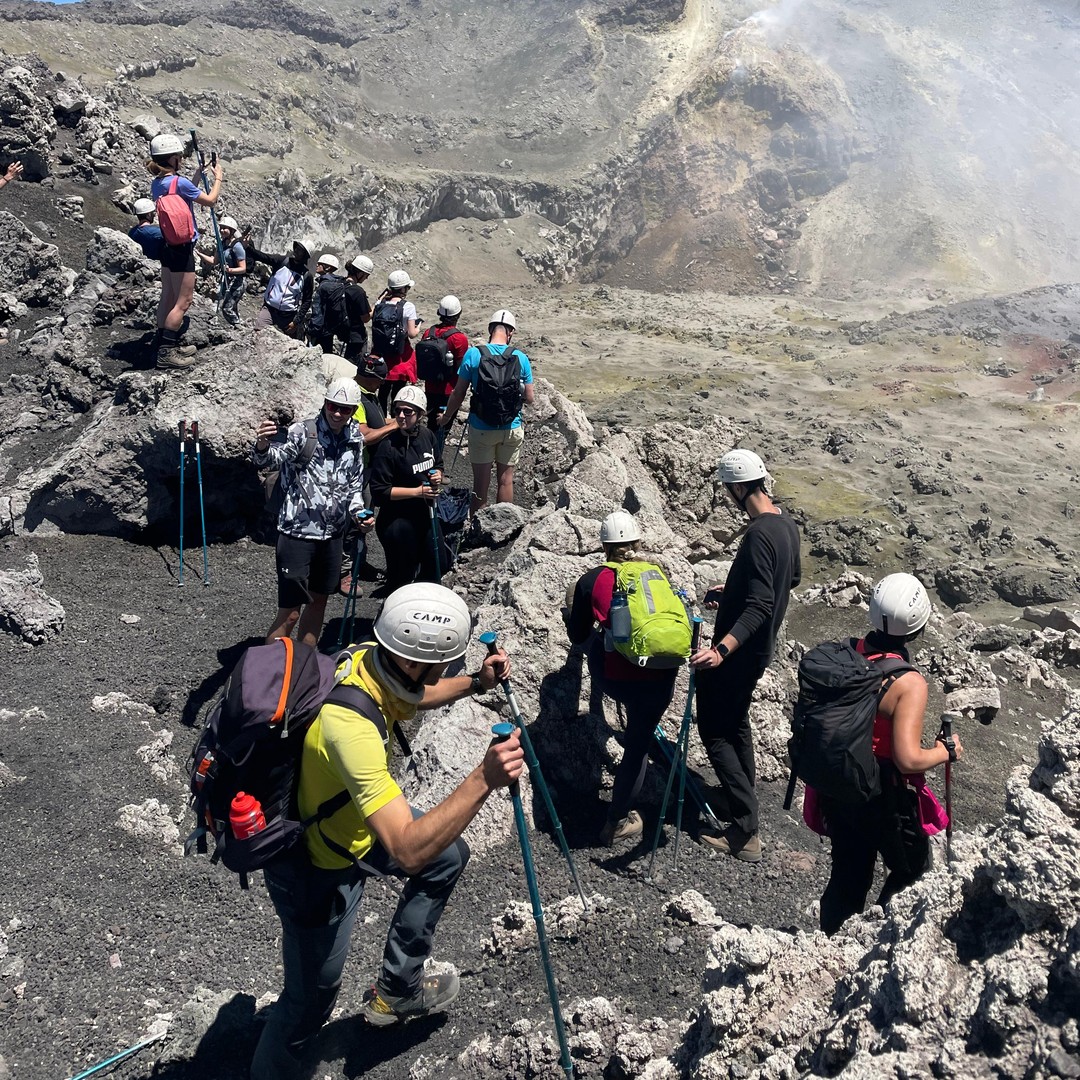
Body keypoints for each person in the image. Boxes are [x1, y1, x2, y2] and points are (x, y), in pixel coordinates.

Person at [250, 583, 525, 1080]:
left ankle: (398, 988)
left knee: (449, 854)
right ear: (416, 660)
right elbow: (407, 850)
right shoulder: (350, 729)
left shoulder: (367, 660)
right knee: (308, 1002)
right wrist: (484, 778)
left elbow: (414, 692)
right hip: (315, 865)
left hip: (346, 825)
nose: (442, 672)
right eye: (443, 663)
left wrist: (475, 683)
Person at [818, 573, 960, 934]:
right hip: (882, 792)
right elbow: (908, 759)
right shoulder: (907, 682)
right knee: (912, 870)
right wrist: (947, 751)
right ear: (917, 626)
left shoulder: (850, 651)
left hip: (840, 780)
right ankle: (878, 938)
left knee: (848, 872)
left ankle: (831, 943)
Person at [689, 449, 801, 863]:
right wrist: (730, 591)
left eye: (726, 489)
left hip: (739, 653)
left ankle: (745, 831)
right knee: (736, 722)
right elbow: (787, 579)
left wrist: (720, 651)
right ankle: (743, 798)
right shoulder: (785, 525)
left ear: (737, 487)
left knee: (714, 732)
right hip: (760, 650)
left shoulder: (757, 535)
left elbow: (759, 606)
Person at [566, 512, 678, 845]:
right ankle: (617, 819)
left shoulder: (591, 579)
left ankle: (614, 823)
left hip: (615, 677)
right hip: (660, 674)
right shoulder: (656, 573)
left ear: (604, 546)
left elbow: (578, 633)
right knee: (637, 746)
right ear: (636, 542)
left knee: (590, 636)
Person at [253, 378, 368, 648]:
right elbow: (271, 459)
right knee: (291, 612)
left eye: (345, 409)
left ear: (353, 410)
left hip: (332, 536)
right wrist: (261, 445)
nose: (338, 413)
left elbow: (354, 486)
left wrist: (360, 513)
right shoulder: (302, 432)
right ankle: (269, 677)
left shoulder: (355, 439)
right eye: (333, 406)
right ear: (325, 403)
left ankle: (303, 669)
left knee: (318, 604)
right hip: (297, 534)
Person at [439, 308, 534, 513]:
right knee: (505, 481)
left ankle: (476, 530)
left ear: (490, 329)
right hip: (511, 427)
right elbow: (530, 398)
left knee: (480, 486)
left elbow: (458, 393)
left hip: (481, 427)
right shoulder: (520, 357)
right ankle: (505, 529)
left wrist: (446, 417)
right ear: (511, 332)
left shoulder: (474, 354)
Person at [146, 132, 222, 367]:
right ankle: (167, 353)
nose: (182, 158)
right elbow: (209, 200)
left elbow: (184, 193)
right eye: (179, 156)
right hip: (183, 249)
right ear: (171, 159)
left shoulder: (158, 183)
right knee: (184, 301)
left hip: (168, 246)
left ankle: (162, 342)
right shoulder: (179, 183)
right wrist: (218, 178)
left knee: (167, 295)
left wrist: (197, 175)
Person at [369, 383, 443, 592]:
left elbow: (437, 463)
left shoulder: (427, 436)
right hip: (396, 518)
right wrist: (417, 492)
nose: (401, 416)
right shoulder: (387, 446)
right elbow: (380, 491)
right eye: (397, 410)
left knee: (438, 564)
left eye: (407, 411)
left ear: (419, 414)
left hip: (424, 513)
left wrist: (438, 475)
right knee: (402, 573)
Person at [338, 354, 394, 596]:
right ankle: (344, 572)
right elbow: (363, 435)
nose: (382, 383)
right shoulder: (356, 398)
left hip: (367, 468)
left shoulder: (368, 394)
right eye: (380, 379)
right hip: (354, 469)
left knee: (365, 519)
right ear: (369, 377)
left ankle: (359, 563)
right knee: (353, 520)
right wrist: (393, 427)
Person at [418, 295, 469, 457]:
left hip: (430, 387)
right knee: (442, 428)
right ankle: (434, 467)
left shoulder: (428, 332)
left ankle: (425, 459)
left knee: (432, 424)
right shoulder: (459, 338)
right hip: (449, 392)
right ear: (458, 315)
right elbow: (461, 369)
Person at [371, 270, 420, 412]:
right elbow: (411, 334)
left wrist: (381, 299)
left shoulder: (380, 303)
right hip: (400, 353)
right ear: (404, 288)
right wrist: (418, 327)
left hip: (381, 352)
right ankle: (396, 418)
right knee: (398, 392)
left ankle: (380, 418)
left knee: (383, 390)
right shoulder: (408, 306)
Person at [253, 239, 314, 337]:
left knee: (288, 346)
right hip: (269, 310)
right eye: (296, 248)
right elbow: (263, 257)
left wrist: (296, 321)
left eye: (300, 250)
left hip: (288, 316)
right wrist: (247, 247)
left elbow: (307, 301)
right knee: (257, 335)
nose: (296, 251)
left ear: (305, 255)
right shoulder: (281, 262)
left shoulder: (307, 276)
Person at [195, 215, 247, 325]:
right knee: (230, 306)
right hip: (226, 280)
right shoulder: (222, 244)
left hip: (237, 282)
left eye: (225, 228)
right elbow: (214, 261)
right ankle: (237, 326)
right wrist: (199, 254)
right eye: (221, 228)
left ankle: (238, 327)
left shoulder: (237, 247)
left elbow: (243, 268)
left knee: (227, 308)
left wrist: (230, 270)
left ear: (232, 230)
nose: (222, 230)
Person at [308, 253, 348, 354]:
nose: (317, 265)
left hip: (319, 330)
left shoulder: (323, 285)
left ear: (327, 267)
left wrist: (312, 330)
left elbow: (317, 310)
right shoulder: (339, 283)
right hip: (330, 330)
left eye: (320, 264)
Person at [343, 255, 374, 361]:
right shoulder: (358, 291)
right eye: (366, 275)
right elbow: (365, 318)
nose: (367, 278)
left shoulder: (339, 284)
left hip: (340, 333)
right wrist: (375, 309)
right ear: (360, 273)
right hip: (355, 338)